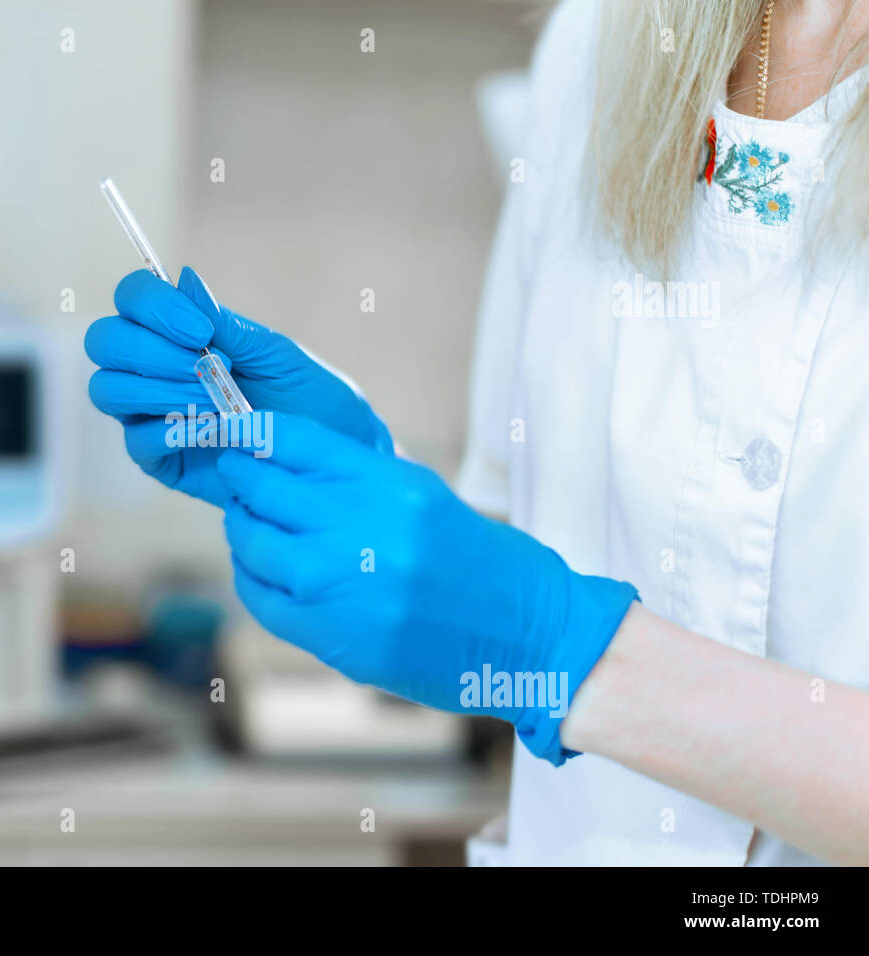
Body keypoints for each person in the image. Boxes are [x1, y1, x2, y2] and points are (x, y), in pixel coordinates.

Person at [84, 0, 869, 866]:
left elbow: (544, 622)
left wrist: (575, 653)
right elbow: (531, 533)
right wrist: (369, 484)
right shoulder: (599, 42)